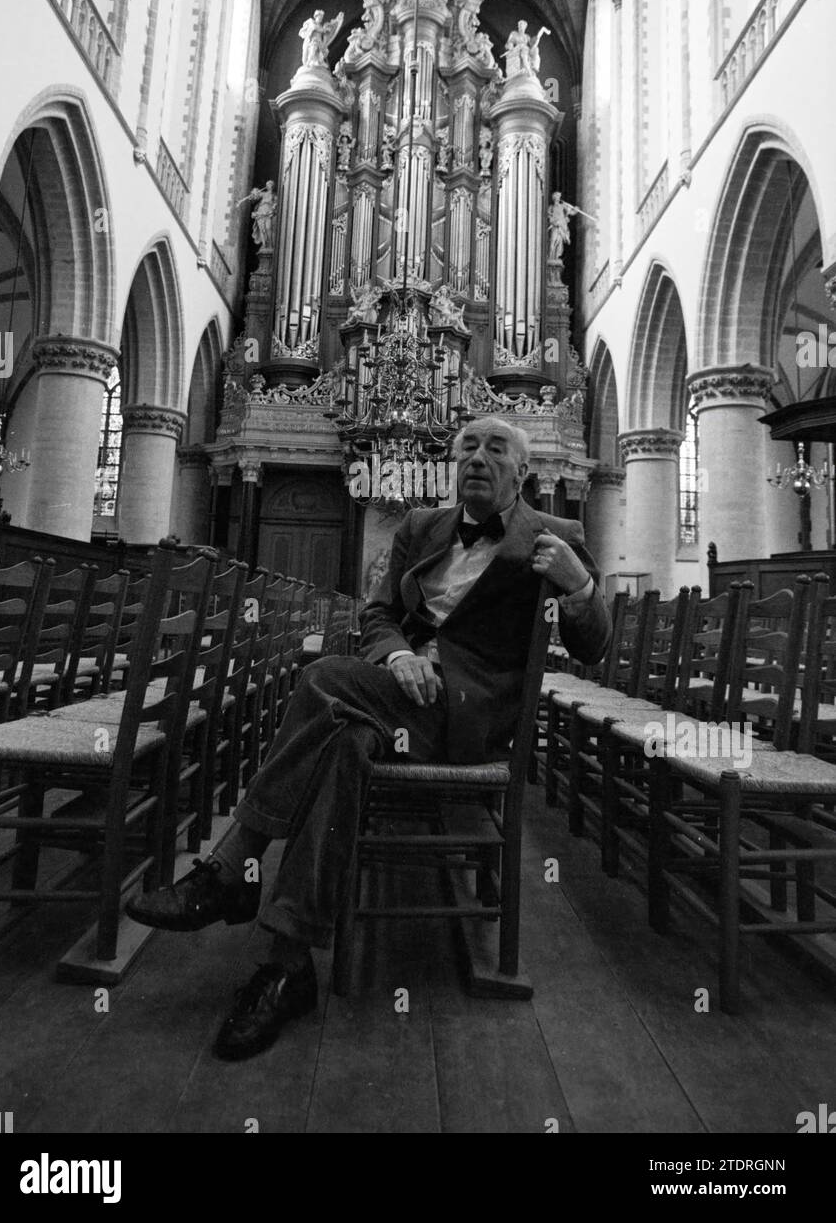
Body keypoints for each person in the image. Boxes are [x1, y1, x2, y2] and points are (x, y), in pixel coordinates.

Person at [127, 416, 610, 1061]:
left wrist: (579, 585)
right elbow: (378, 613)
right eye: (467, 445)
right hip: (397, 703)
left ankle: (231, 867)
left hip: (469, 720)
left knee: (323, 675)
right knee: (346, 744)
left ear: (522, 472)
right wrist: (394, 658)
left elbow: (593, 647)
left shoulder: (557, 536)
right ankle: (286, 964)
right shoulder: (420, 529)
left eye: (497, 450)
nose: (478, 457)